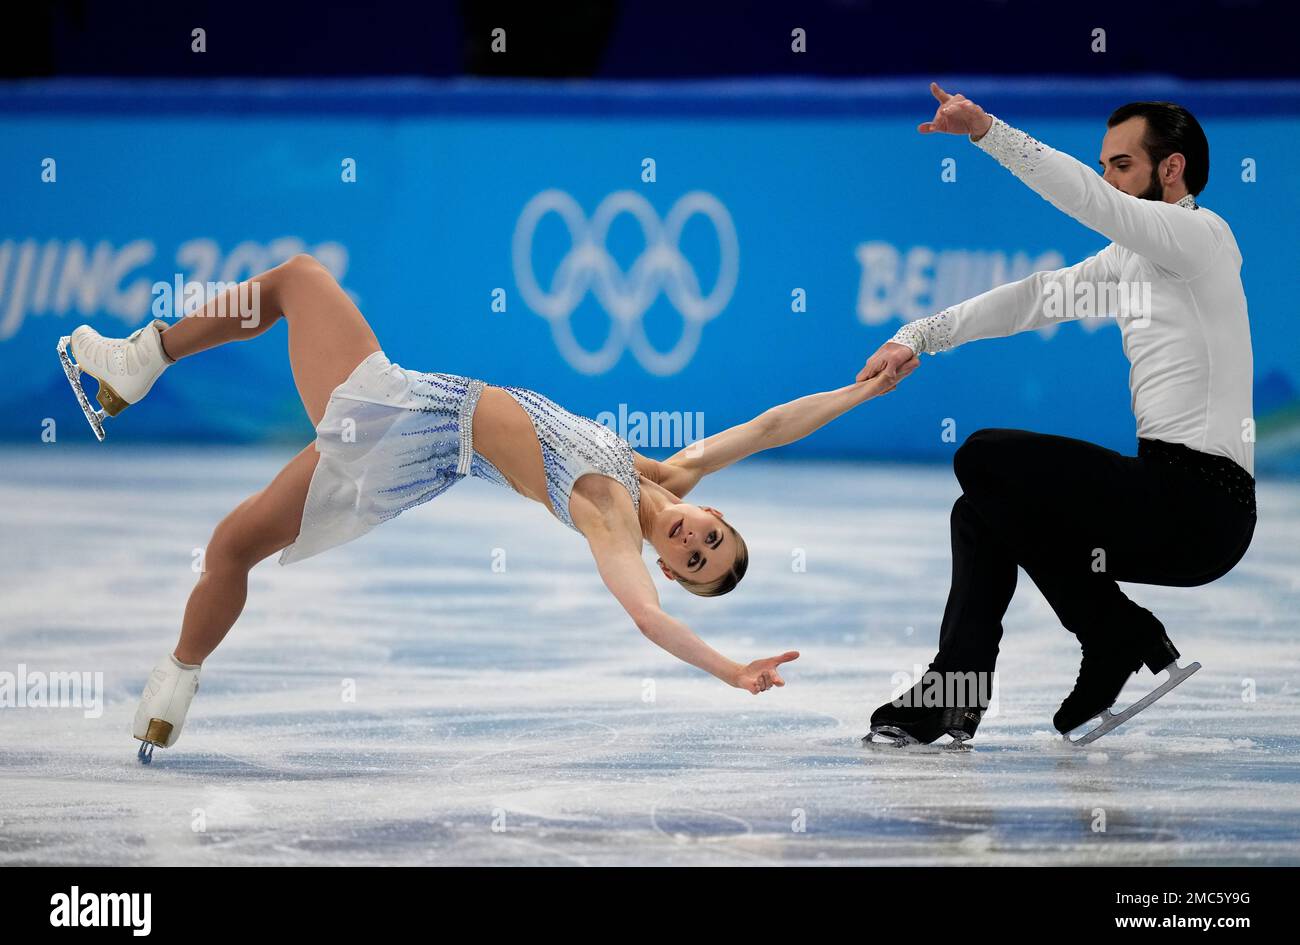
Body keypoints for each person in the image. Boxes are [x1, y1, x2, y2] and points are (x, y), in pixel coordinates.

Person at [57, 253, 919, 762]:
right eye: (715, 540)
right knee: (234, 544)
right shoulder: (668, 476)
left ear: (670, 568)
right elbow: (770, 427)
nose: (697, 542)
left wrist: (731, 670)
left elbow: (649, 622)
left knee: (294, 281)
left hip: (410, 417)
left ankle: (140, 359)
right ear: (718, 517)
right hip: (419, 451)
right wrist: (863, 390)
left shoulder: (609, 516)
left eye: (695, 563)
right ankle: (173, 685)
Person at [857, 83, 1256, 746]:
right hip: (1161, 498)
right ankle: (955, 692)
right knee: (980, 510)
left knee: (985, 456)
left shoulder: (1200, 236)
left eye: (1121, 164)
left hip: (1205, 507)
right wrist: (919, 334)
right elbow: (1035, 298)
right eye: (1103, 164)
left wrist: (988, 131)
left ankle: (1113, 630)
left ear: (1173, 168)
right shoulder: (1135, 260)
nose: (1106, 177)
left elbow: (1088, 201)